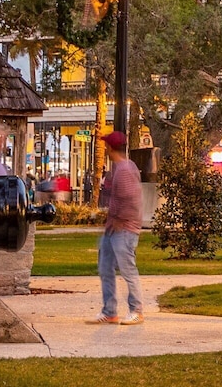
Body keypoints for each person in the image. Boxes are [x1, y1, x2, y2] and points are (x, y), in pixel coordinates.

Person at [90, 132, 144, 325]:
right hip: (112, 228)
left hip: (124, 229)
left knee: (128, 270)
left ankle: (136, 310)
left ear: (111, 148)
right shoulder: (120, 168)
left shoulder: (125, 170)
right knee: (105, 268)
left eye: (106, 146)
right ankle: (109, 311)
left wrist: (120, 220)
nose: (105, 149)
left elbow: (131, 199)